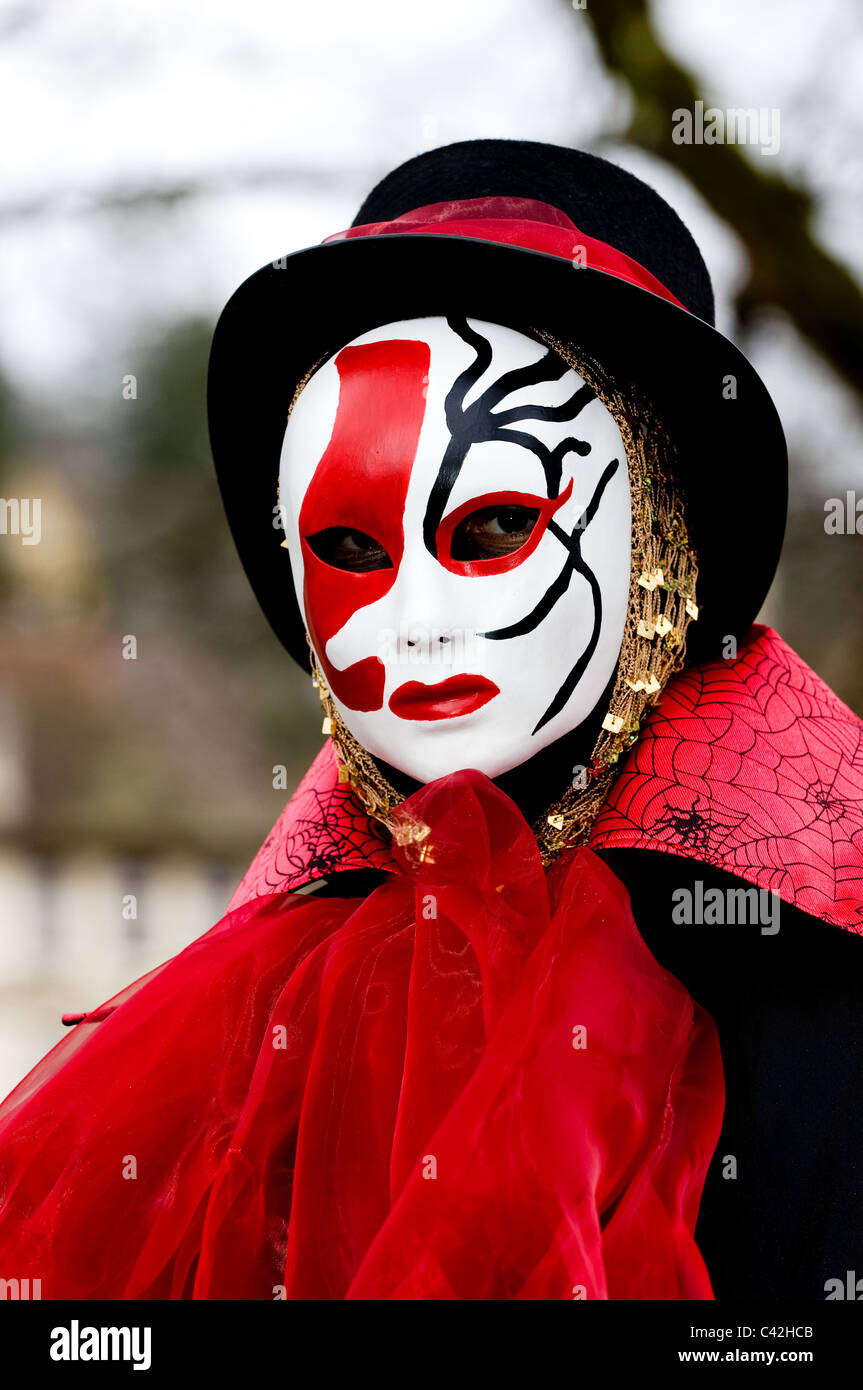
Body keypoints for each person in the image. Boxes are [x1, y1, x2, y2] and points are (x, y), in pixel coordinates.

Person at [0, 139, 860, 1301]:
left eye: (490, 527)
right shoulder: (244, 1015)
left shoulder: (809, 981)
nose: (413, 619)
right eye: (349, 548)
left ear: (658, 528)